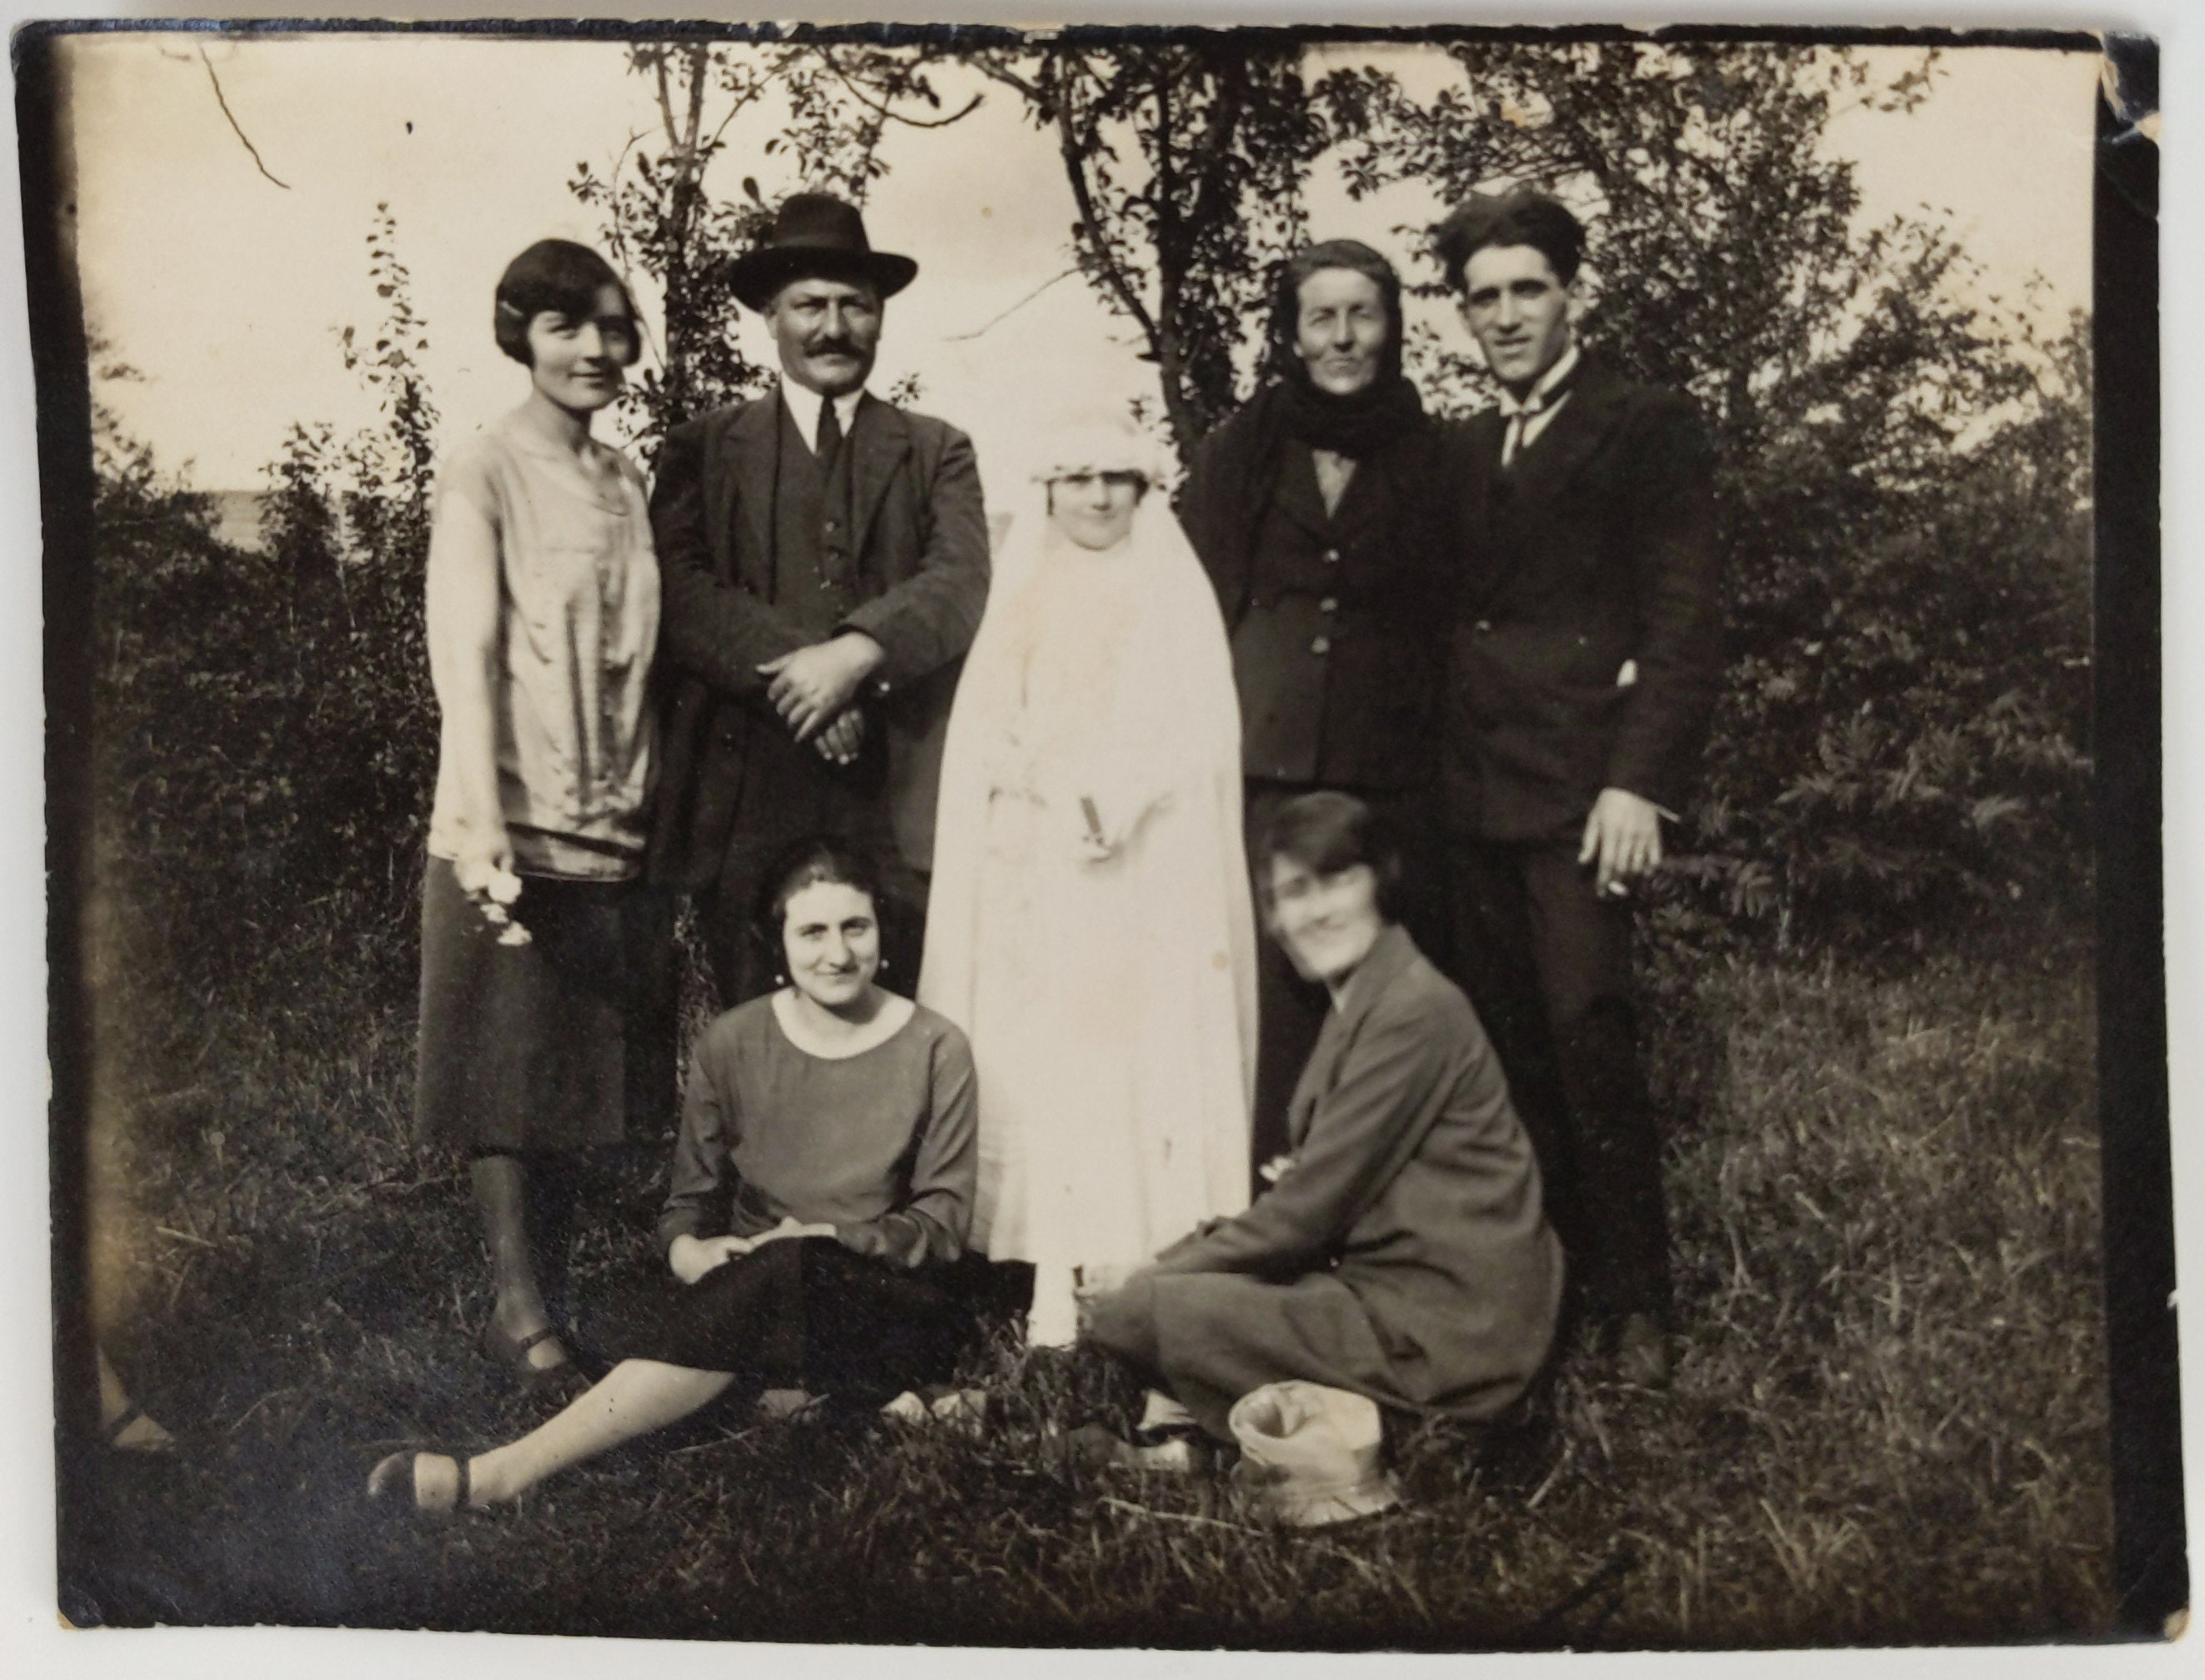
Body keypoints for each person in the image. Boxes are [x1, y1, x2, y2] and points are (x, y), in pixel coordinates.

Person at [371, 838, 978, 1513]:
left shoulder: (935, 1044)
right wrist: (688, 1249)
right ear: (776, 941)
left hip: (881, 1293)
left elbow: (944, 1225)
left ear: (880, 932)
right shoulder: (733, 1040)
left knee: (784, 1271)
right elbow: (685, 1206)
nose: (836, 954)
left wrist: (826, 1234)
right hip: (749, 1281)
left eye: (854, 927)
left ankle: (502, 1474)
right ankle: (839, 1402)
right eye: (812, 930)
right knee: (614, 1309)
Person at [1431, 189, 1722, 1387]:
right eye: (1483, 296)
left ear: (1571, 295)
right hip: (1466, 795)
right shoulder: (1455, 446)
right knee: (1500, 1048)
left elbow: (1684, 615)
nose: (1504, 315)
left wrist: (1638, 786)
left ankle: (1637, 1302)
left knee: (1586, 1030)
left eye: (1526, 290)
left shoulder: (1644, 424)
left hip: (1579, 796)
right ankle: (1544, 1296)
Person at [920, 414, 1258, 1347]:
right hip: (1042, 863)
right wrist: (1040, 786)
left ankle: (1132, 1252)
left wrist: (1124, 795)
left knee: (1132, 1049)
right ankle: (1049, 1269)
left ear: (1145, 489)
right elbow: (991, 727)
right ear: (1048, 489)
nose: (1099, 496)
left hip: (1144, 863)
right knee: (1050, 1055)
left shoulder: (1168, 590)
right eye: (1077, 478)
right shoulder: (1026, 586)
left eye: (1118, 477)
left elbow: (1197, 730)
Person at [1080, 791, 1561, 1443]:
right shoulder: (1368, 1000)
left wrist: (1151, 1272)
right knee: (1171, 1298)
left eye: (1337, 880)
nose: (1314, 911)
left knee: (1136, 1310)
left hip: (1448, 1337)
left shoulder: (1412, 1010)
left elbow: (1301, 1218)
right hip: (1394, 1297)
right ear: (1273, 916)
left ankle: (1384, 1421)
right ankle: (1214, 1421)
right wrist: (1174, 1254)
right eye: (1292, 892)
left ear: (1380, 884)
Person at [415, 239, 669, 1398]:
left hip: (612, 811)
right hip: (510, 813)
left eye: (617, 329)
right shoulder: (485, 468)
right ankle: (518, 1313)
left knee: (571, 1070)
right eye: (570, 327)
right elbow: (462, 654)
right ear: (520, 332)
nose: (600, 351)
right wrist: (480, 817)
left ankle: (554, 1293)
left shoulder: (625, 482)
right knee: (505, 1070)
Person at [648, 193, 990, 1005]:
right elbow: (680, 589)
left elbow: (960, 579)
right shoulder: (702, 448)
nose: (832, 327)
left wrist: (855, 654)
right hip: (746, 792)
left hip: (894, 790)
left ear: (879, 318)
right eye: (809, 305)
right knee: (756, 1024)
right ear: (770, 316)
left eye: (854, 306)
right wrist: (798, 677)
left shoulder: (936, 450)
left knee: (895, 1014)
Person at [1178, 239, 1453, 1187]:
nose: (1343, 338)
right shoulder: (1240, 447)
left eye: (1361, 314)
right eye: (1321, 317)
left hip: (1393, 764)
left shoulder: (1436, 453)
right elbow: (1196, 596)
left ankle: (1382, 1193)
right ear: (1290, 334)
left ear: (1392, 324)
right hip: (1266, 762)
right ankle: (1274, 1193)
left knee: (1382, 978)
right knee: (1278, 982)